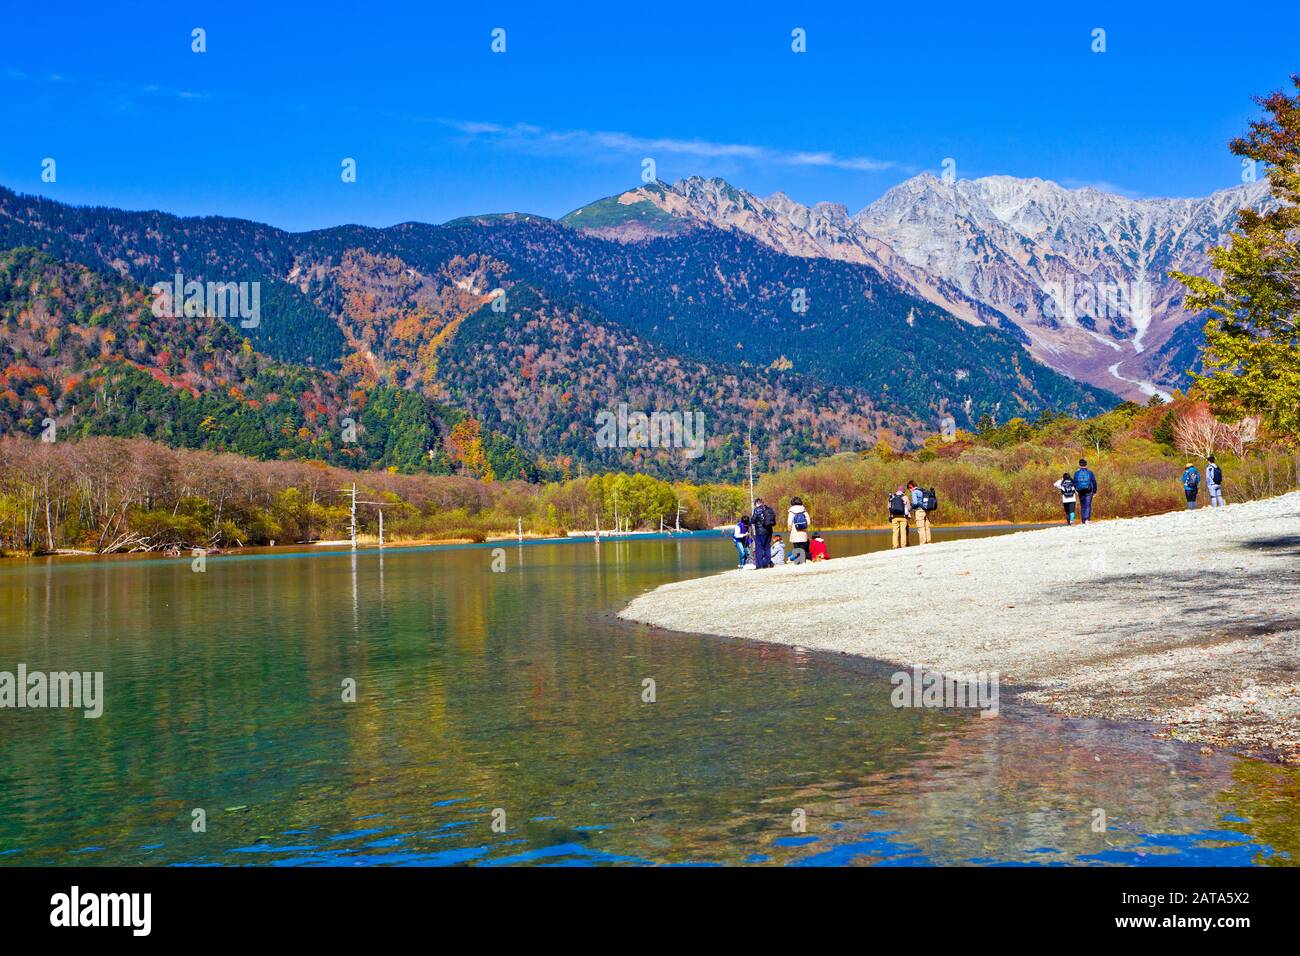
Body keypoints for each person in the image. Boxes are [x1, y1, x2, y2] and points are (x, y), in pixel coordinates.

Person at [751, 498, 776, 569]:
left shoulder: (757, 510)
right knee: (767, 547)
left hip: (760, 532)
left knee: (759, 548)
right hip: (769, 531)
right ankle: (767, 564)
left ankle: (759, 565)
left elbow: (753, 520)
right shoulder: (769, 509)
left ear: (756, 504)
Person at [908, 481, 934, 545]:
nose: (910, 491)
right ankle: (929, 542)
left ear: (911, 487)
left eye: (909, 489)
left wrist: (912, 506)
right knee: (927, 527)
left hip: (919, 511)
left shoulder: (914, 492)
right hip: (927, 511)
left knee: (921, 528)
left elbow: (915, 503)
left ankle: (923, 543)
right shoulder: (923, 490)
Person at [1073, 458, 1098, 525]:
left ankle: (1083, 520)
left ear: (1079, 465)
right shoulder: (1090, 473)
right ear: (1086, 465)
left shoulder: (1076, 473)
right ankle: (1087, 519)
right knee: (1088, 505)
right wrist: (1095, 491)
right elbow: (1094, 482)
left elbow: (1074, 482)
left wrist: (1076, 490)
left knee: (1083, 505)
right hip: (1089, 491)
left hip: (1080, 491)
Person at [787, 496, 811, 563]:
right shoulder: (803, 510)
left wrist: (789, 528)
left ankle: (798, 561)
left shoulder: (791, 511)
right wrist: (805, 526)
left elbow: (789, 521)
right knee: (802, 545)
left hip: (795, 530)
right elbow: (808, 520)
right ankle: (803, 560)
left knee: (796, 545)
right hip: (803, 530)